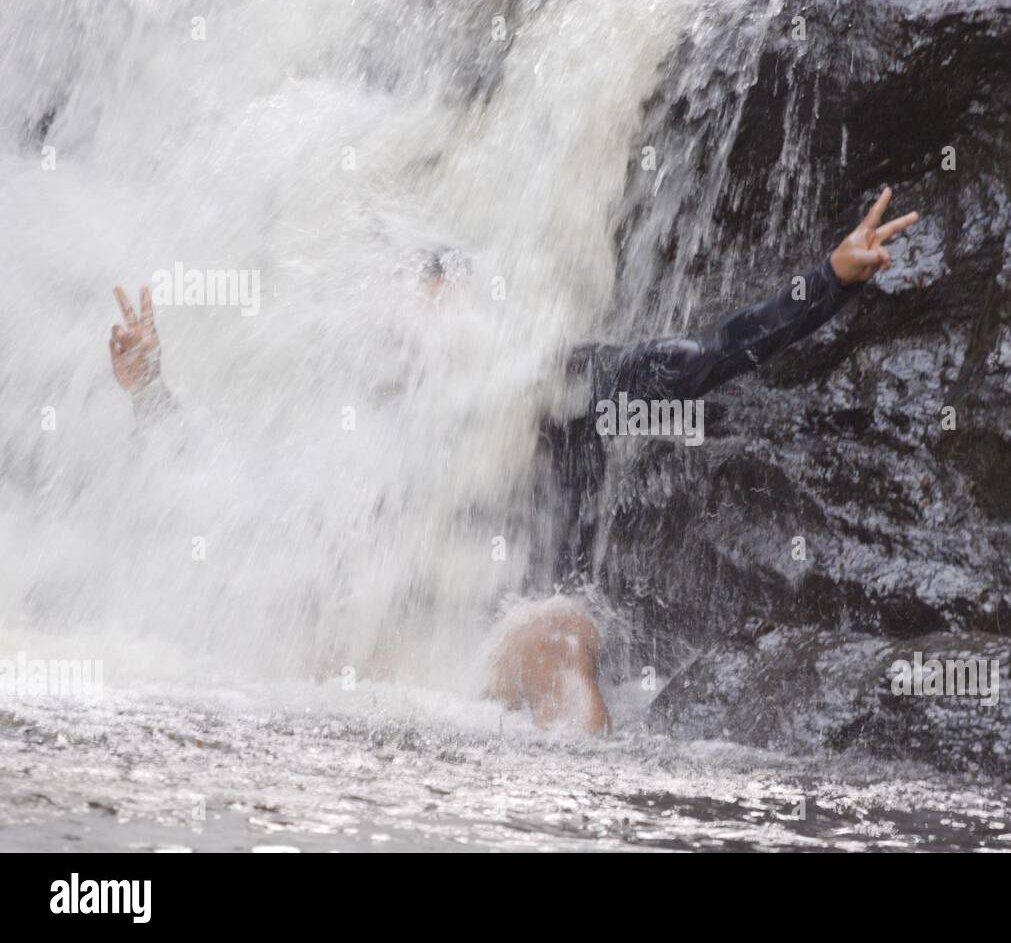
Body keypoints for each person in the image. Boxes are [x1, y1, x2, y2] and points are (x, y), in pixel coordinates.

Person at [108, 188, 919, 734]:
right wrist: (150, 391)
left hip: (530, 619)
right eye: (414, 306)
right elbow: (246, 496)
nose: (429, 325)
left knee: (559, 646)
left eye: (444, 297)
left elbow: (710, 355)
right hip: (424, 644)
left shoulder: (565, 380)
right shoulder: (381, 423)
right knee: (314, 633)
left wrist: (830, 279)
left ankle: (574, 820)